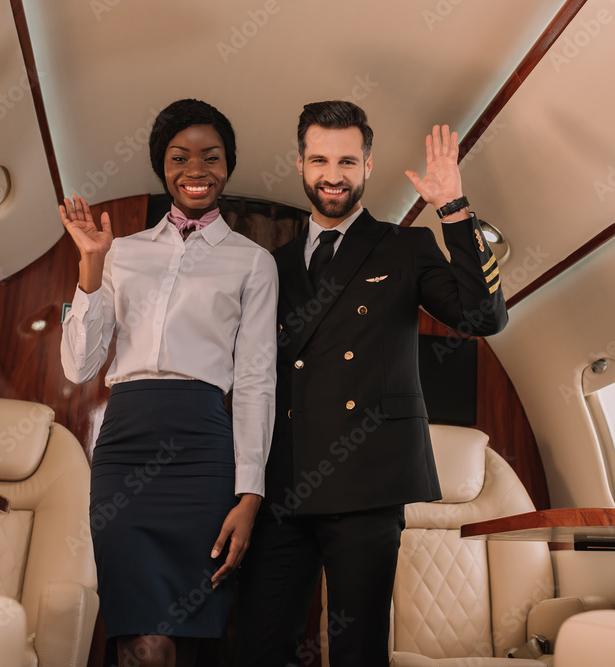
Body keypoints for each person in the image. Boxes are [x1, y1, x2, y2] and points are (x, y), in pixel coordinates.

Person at [236, 101, 507, 665]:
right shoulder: (272, 264)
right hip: (284, 480)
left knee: (358, 651)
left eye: (346, 161)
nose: (332, 174)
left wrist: (452, 210)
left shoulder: (404, 247)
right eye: (319, 160)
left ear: (368, 166)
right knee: (258, 648)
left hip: (367, 479)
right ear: (300, 164)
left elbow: (483, 319)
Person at [59, 99, 277, 667]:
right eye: (180, 157)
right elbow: (79, 367)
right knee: (141, 640)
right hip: (125, 447)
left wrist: (250, 494)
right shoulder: (120, 253)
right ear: (163, 166)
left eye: (211, 156)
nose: (196, 169)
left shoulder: (253, 262)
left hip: (203, 452)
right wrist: (89, 267)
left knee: (190, 640)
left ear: (228, 166)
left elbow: (256, 380)